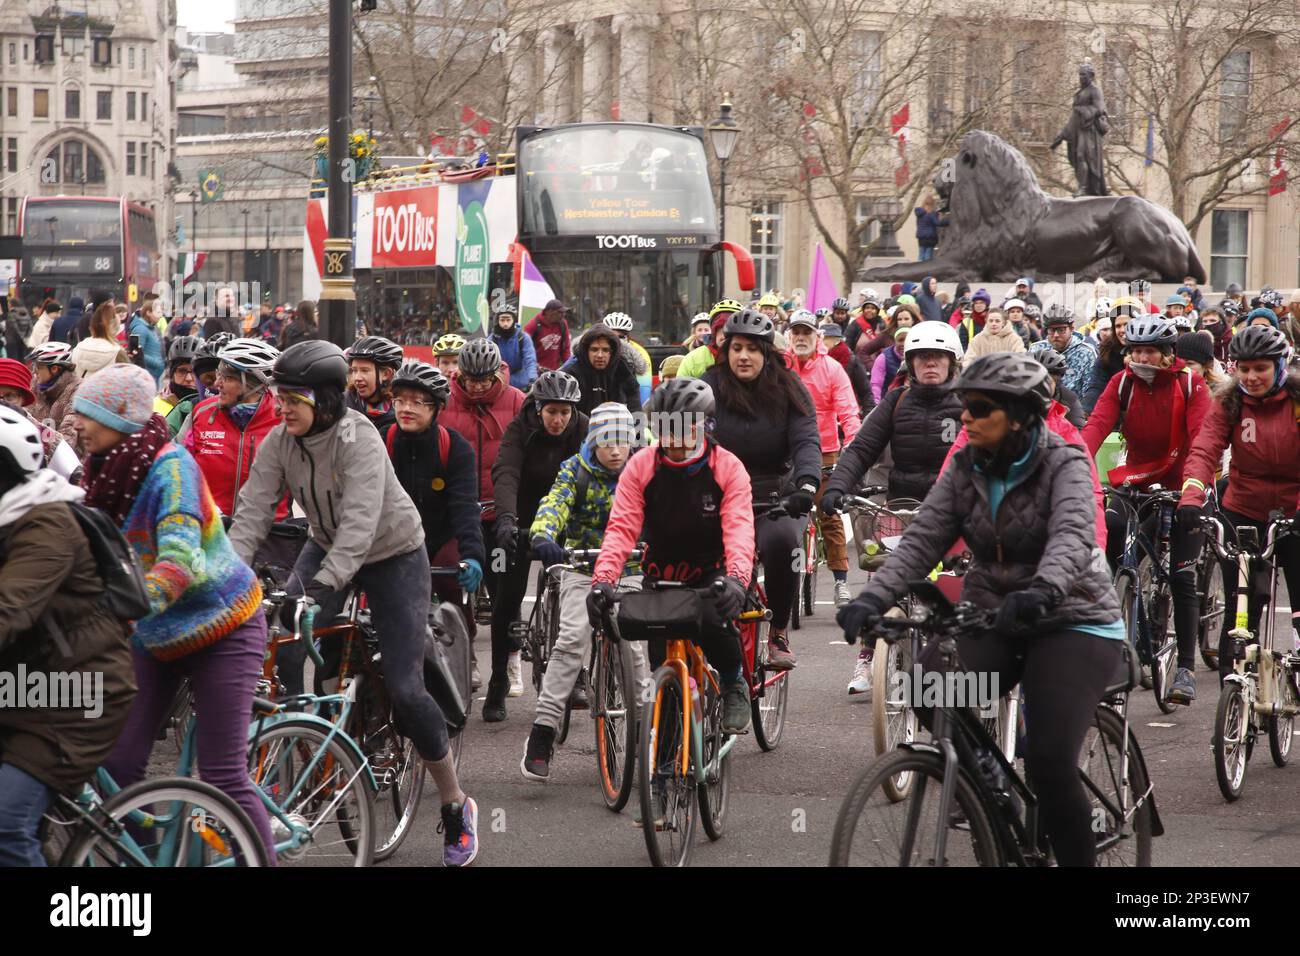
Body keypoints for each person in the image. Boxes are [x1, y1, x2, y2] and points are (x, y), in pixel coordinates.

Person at [837, 352, 1124, 867]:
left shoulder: (1066, 461)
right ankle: (993, 794)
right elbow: (924, 537)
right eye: (962, 406)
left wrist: (1043, 590)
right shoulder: (966, 463)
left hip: (1073, 618)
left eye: (979, 408)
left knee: (1049, 761)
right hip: (995, 610)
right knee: (927, 687)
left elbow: (1073, 537)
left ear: (1018, 417)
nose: (963, 418)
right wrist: (873, 597)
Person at [227, 341, 479, 866]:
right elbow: (251, 512)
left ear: (324, 398)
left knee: (408, 689)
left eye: (292, 398)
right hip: (325, 544)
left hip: (393, 552)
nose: (282, 407)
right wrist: (224, 579)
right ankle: (304, 768)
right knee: (289, 648)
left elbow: (362, 525)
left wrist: (317, 591)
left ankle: (456, 805)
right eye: (279, 396)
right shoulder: (280, 440)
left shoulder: (359, 437)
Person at [73, 364, 277, 862]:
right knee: (116, 766)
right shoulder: (100, 471)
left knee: (223, 772)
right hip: (155, 632)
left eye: (86, 414)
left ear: (118, 417)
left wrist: (114, 615)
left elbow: (178, 563)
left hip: (222, 625)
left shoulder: (172, 468)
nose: (76, 424)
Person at [0, 406, 135, 866]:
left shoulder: (47, 526)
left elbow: (8, 610)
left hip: (75, 694)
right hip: (21, 688)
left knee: (6, 825)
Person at [589, 378, 756, 736]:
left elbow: (740, 529)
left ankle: (732, 683)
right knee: (660, 666)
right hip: (662, 572)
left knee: (714, 622)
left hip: (715, 570)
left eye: (684, 426)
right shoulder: (640, 467)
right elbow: (620, 529)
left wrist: (738, 579)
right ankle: (663, 760)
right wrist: (603, 580)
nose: (674, 437)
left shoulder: (727, 467)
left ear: (704, 426)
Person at [822, 321, 964, 693]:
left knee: (958, 583)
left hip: (954, 509)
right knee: (882, 570)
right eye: (921, 358)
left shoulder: (969, 403)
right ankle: (868, 657)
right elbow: (861, 449)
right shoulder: (895, 401)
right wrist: (838, 485)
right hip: (901, 505)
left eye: (938, 357)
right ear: (910, 363)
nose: (929, 364)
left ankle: (961, 660)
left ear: (953, 361)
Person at [1080, 316, 1210, 703]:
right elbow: (1093, 430)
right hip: (1136, 482)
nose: (1141, 357)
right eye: (1136, 350)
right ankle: (1122, 635)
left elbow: (1203, 442)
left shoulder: (1191, 384)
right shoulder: (1121, 384)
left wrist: (1192, 494)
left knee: (1182, 578)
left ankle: (1185, 668)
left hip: (1185, 486)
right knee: (1112, 545)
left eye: (1149, 350)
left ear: (1168, 353)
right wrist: (1072, 469)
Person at [522, 402, 644, 780]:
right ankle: (542, 733)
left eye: (621, 441)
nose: (614, 450)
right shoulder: (574, 469)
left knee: (636, 646)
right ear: (593, 441)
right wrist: (542, 533)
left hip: (632, 568)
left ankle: (643, 726)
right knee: (572, 639)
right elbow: (555, 502)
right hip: (581, 567)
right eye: (606, 441)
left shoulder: (643, 470)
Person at [1178, 325, 1300, 684]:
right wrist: (1191, 496)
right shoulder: (1230, 401)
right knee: (1242, 602)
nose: (1251, 376)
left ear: (1280, 365)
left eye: (1260, 368)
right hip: (1244, 507)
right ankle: (1237, 686)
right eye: (1244, 368)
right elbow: (1204, 449)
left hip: (1294, 508)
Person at [702, 309, 820, 669]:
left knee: (783, 543)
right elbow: (688, 437)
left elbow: (806, 440)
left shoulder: (789, 387)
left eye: (753, 349)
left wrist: (807, 484)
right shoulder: (708, 385)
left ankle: (779, 631)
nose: (743, 356)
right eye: (736, 348)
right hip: (719, 495)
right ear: (725, 351)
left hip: (776, 497)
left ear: (766, 354)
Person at [486, 370, 589, 720]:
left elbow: (592, 474)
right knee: (506, 597)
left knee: (575, 601)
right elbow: (506, 472)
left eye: (565, 412)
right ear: (538, 408)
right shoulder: (520, 428)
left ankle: (575, 675)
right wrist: (506, 520)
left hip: (566, 520)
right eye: (551, 412)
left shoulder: (583, 428)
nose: (558, 420)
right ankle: (498, 680)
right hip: (522, 517)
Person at [384, 361, 485, 634]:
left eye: (418, 402)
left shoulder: (455, 448)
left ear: (438, 408)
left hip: (442, 535)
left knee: (452, 580)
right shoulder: (381, 442)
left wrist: (473, 556)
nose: (406, 408)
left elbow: (465, 508)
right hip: (396, 538)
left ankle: (464, 648)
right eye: (400, 400)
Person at [786, 311, 860, 607]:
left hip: (825, 450)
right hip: (788, 451)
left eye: (806, 332)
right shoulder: (781, 366)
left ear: (817, 336)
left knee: (829, 514)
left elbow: (847, 410)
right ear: (789, 336)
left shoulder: (832, 368)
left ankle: (840, 582)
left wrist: (853, 445)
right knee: (783, 516)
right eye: (796, 333)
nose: (801, 337)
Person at [181, 339, 283, 517]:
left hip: (268, 535)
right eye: (218, 374)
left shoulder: (283, 419)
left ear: (252, 382)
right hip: (209, 529)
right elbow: (177, 465)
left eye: (227, 378)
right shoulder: (202, 412)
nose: (217, 384)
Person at [561, 323, 641, 415]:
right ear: (586, 350)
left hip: (617, 425)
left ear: (612, 352)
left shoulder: (622, 369)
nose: (600, 355)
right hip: (581, 427)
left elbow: (635, 405)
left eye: (605, 350)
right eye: (594, 350)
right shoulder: (571, 373)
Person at [27, 342, 84, 457]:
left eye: (38, 367)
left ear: (54, 369)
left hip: (69, 463)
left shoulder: (78, 391)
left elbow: (68, 440)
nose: (34, 371)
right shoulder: (36, 384)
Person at [1030, 306, 1098, 398]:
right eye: (1051, 330)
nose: (1056, 335)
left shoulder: (1086, 353)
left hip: (1073, 407)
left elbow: (1090, 389)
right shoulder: (1036, 349)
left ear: (1071, 329)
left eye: (1061, 330)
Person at [1082, 302, 1135, 412]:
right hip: (1115, 409)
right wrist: (1086, 411)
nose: (1122, 330)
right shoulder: (1107, 350)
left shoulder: (1149, 349)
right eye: (1118, 326)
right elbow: (1096, 385)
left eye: (1126, 325)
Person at [344, 335, 404, 432]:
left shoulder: (402, 413)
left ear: (386, 374)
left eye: (364, 370)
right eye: (354, 370)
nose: (357, 378)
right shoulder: (342, 404)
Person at [677, 299, 743, 379]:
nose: (725, 336)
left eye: (731, 330)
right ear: (714, 331)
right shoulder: (693, 359)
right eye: (721, 329)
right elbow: (681, 388)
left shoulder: (749, 358)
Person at [599, 312, 652, 404]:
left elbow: (643, 389)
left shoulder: (639, 353)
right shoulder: (594, 352)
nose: (615, 341)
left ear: (628, 338)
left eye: (620, 337)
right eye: (611, 336)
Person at [70, 302, 130, 380]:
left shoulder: (77, 349)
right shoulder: (118, 353)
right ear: (115, 327)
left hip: (81, 391)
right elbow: (130, 384)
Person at [821, 323, 870, 412]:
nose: (821, 341)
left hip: (847, 411)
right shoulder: (815, 358)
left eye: (825, 338)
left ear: (837, 341)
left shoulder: (851, 360)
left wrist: (867, 416)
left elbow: (865, 391)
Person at [1033, 349, 1087, 429]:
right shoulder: (1019, 394)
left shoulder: (1068, 398)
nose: (1042, 383)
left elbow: (1078, 430)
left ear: (1059, 377)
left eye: (1048, 378)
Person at [151, 335, 201, 420]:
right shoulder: (154, 408)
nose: (189, 378)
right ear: (172, 374)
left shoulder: (214, 407)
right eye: (182, 371)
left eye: (194, 372)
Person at [491, 305, 538, 391]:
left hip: (519, 381)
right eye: (502, 320)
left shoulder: (523, 338)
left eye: (508, 320)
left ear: (514, 321)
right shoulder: (492, 339)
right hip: (498, 380)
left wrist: (533, 379)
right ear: (497, 321)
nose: (505, 324)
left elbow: (530, 359)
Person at [524, 299, 572, 371]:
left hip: (555, 371)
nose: (563, 315)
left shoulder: (562, 324)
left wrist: (569, 367)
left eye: (563, 312)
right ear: (549, 312)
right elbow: (524, 348)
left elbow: (566, 348)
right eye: (560, 312)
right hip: (536, 371)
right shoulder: (533, 325)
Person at [128, 299, 165, 386]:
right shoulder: (140, 329)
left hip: (152, 376)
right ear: (148, 312)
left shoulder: (151, 328)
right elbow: (136, 353)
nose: (161, 315)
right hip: (146, 376)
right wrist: (157, 363)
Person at [914, 196, 946, 262]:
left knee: (921, 255)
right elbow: (938, 223)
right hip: (930, 237)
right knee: (928, 256)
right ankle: (926, 271)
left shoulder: (919, 213)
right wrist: (948, 221)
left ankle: (918, 270)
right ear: (933, 204)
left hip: (921, 237)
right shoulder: (931, 213)